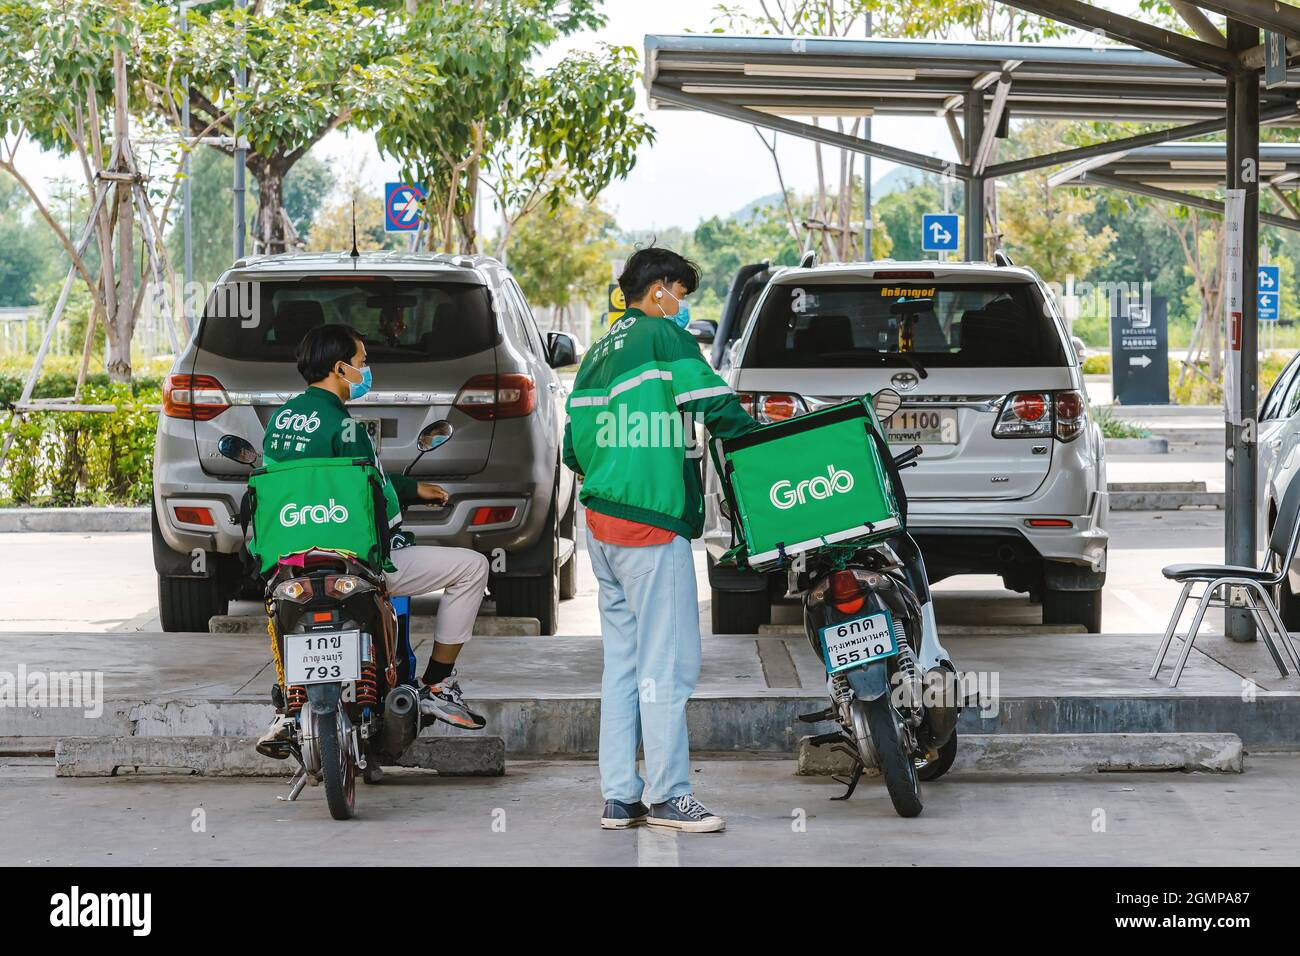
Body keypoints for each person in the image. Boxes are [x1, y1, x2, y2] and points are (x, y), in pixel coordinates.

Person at [563, 247, 758, 833]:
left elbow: (573, 449)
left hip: (602, 526)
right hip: (651, 525)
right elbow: (717, 407)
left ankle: (620, 797)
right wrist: (767, 442)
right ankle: (672, 795)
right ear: (658, 292)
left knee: (623, 666)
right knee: (668, 666)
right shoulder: (664, 338)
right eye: (680, 293)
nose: (682, 308)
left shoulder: (598, 353)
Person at [257, 323, 489, 757]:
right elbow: (372, 498)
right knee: (471, 567)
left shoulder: (280, 422)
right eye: (362, 363)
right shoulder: (346, 428)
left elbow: (303, 486)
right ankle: (438, 682)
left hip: (290, 563)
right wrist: (401, 513)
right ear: (340, 368)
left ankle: (287, 709)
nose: (367, 371)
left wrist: (411, 487)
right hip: (353, 563)